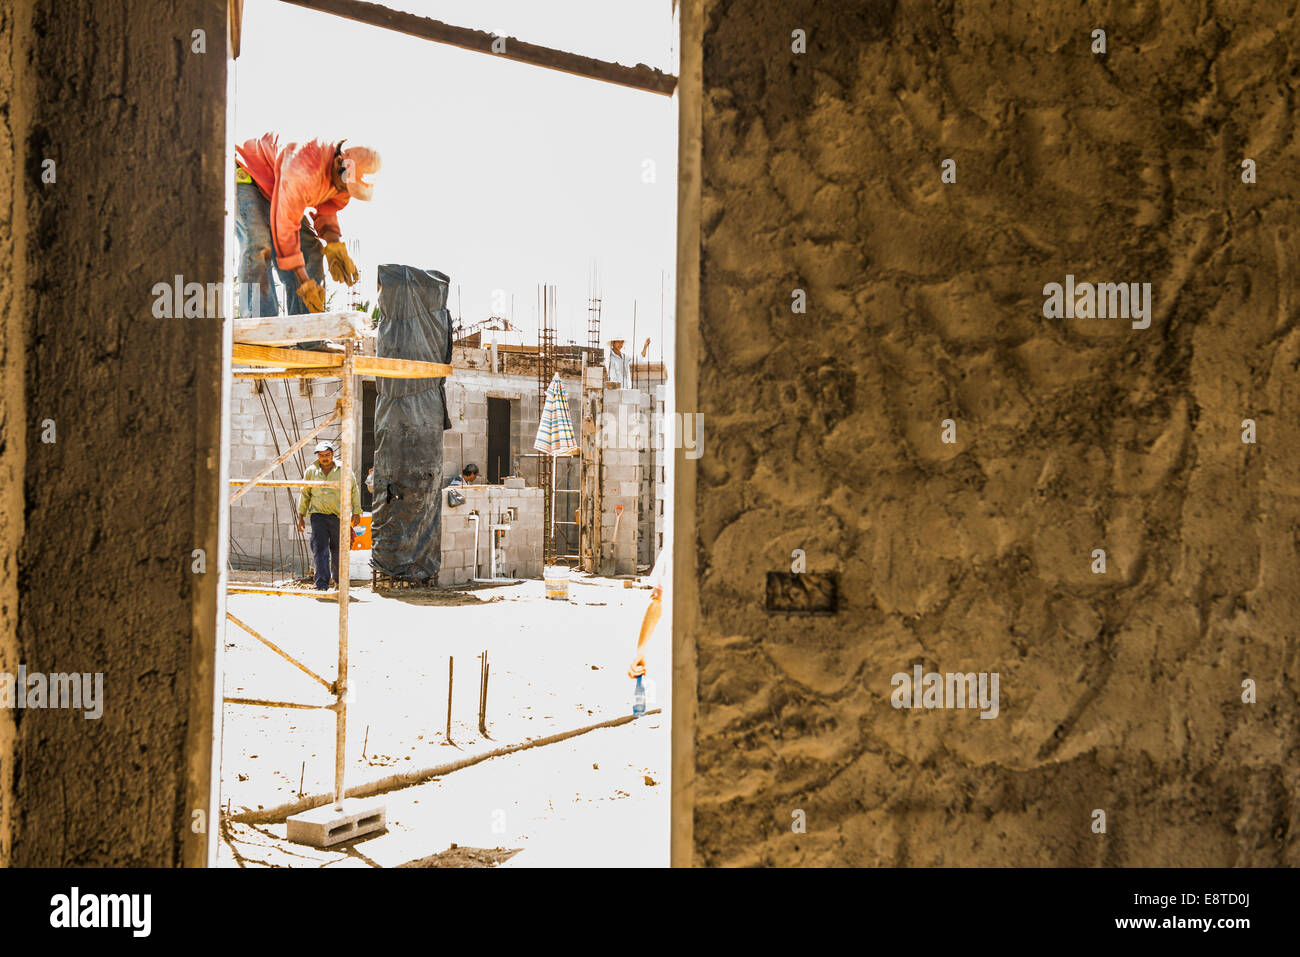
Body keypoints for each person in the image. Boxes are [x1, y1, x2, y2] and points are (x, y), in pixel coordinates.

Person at [234, 132, 381, 320]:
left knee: (311, 252)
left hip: (278, 191)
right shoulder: (303, 168)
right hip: (248, 176)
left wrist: (334, 243)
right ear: (338, 163)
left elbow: (327, 208)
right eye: (345, 187)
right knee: (257, 243)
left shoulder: (343, 179)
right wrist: (305, 282)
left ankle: (309, 329)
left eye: (348, 190)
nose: (343, 193)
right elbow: (285, 228)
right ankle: (258, 323)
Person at [296, 440, 363, 591]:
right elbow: (305, 494)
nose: (325, 458)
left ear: (332, 454)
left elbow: (353, 490)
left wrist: (357, 512)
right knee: (320, 550)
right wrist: (301, 516)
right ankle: (321, 585)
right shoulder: (311, 471)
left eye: (327, 455)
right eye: (321, 455)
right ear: (317, 456)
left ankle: (339, 582)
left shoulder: (344, 470)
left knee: (339, 551)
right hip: (318, 516)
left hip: (339, 516)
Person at [628, 547, 668, 679]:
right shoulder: (673, 549)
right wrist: (640, 653)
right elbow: (657, 601)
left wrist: (640, 652)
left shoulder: (673, 548)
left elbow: (657, 600)